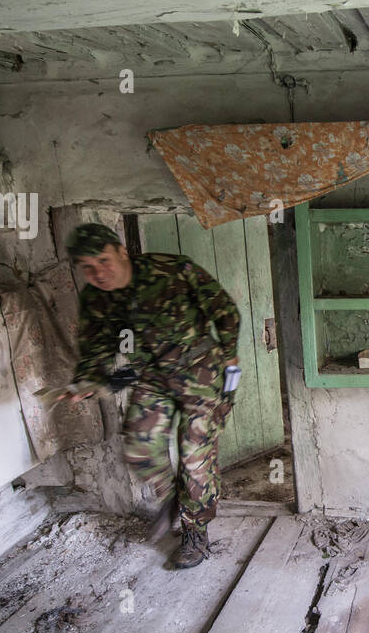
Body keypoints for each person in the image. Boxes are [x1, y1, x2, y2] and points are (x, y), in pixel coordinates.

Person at [62, 222, 240, 569]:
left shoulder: (173, 270)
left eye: (103, 260)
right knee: (139, 444)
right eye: (87, 267)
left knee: (194, 459)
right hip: (152, 377)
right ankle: (173, 497)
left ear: (122, 252)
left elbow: (224, 308)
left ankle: (195, 531)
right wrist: (85, 381)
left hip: (202, 372)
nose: (98, 272)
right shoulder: (96, 298)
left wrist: (230, 352)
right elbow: (95, 347)